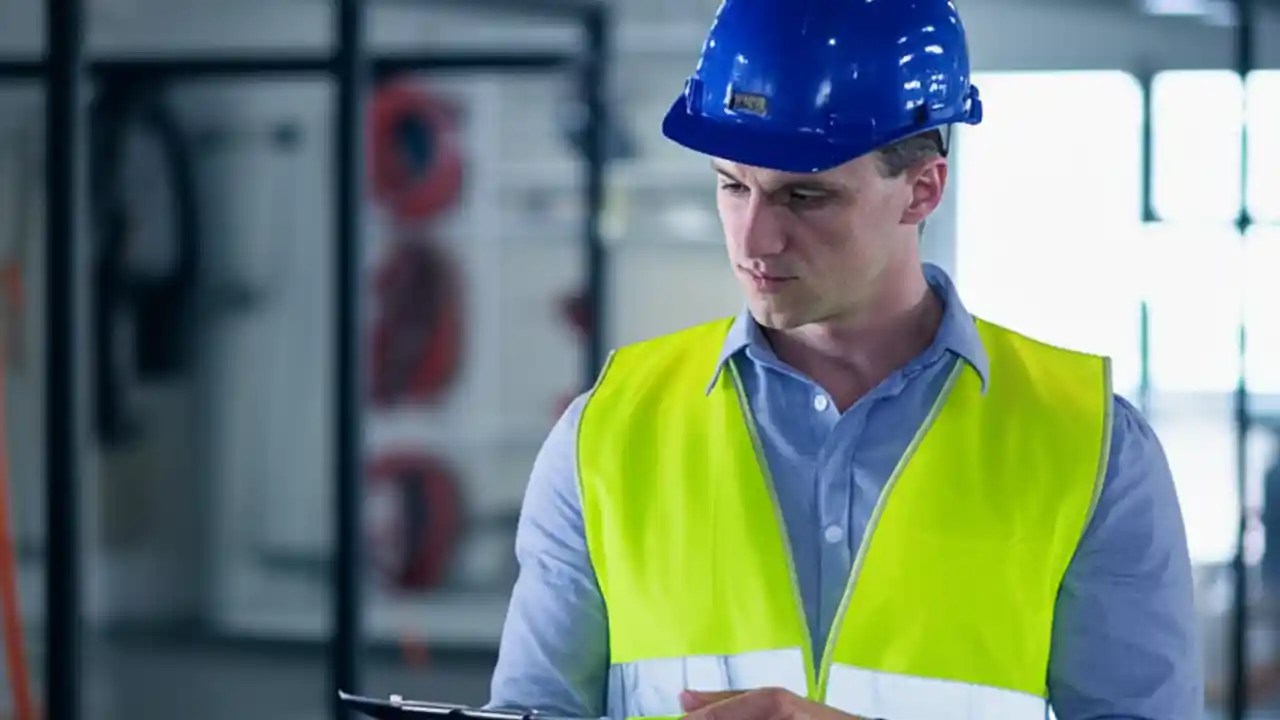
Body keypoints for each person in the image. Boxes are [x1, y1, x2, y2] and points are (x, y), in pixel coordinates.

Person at [488, 1, 1201, 718]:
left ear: (923, 189)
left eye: (805, 196)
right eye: (733, 185)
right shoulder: (606, 433)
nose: (754, 240)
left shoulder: (1088, 446)